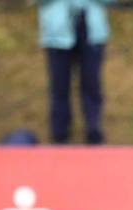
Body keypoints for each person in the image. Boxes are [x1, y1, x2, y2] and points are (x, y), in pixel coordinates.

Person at [39, 0, 113, 144]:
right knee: (59, 85)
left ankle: (93, 131)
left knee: (92, 83)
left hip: (92, 31)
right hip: (56, 32)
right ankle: (59, 134)